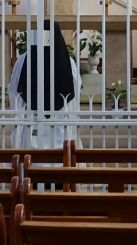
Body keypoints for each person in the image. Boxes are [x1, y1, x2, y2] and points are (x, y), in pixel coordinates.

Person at [6, 19, 81, 148]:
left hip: (31, 122)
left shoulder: (23, 60)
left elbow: (14, 91)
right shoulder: (68, 62)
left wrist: (19, 110)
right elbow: (75, 91)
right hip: (60, 122)